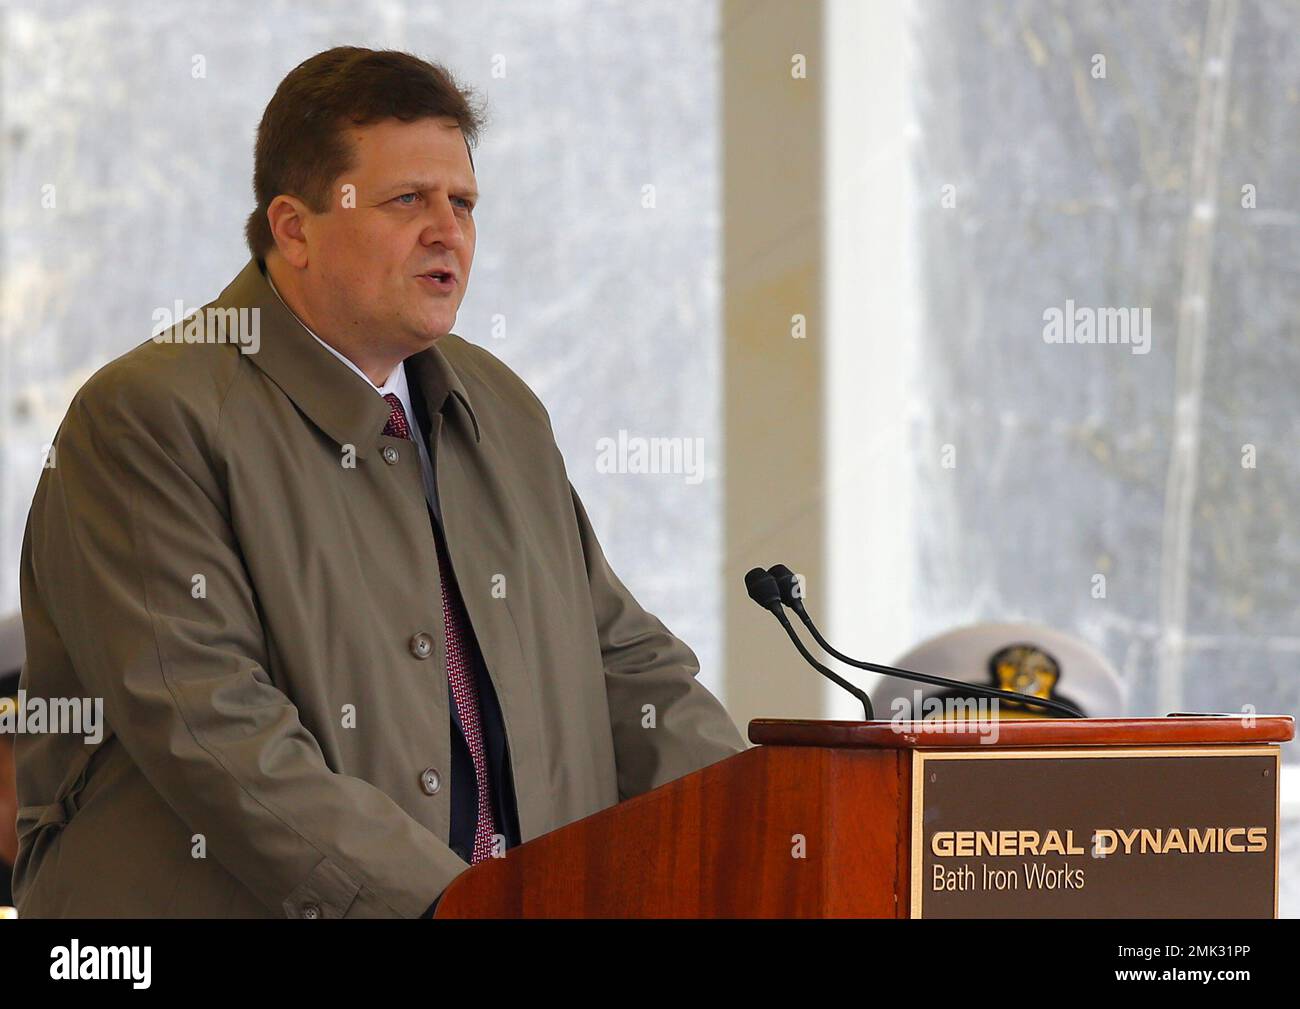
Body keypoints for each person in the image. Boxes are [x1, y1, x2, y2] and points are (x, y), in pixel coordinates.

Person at [13, 46, 745, 918]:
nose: (450, 230)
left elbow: (627, 665)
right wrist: (461, 907)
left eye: (463, 202)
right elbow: (215, 732)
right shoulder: (147, 418)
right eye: (408, 201)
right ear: (294, 228)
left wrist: (765, 827)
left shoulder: (502, 407)